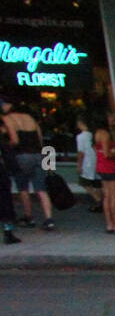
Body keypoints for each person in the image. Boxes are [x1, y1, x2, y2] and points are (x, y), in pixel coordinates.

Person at [3, 98, 54, 230]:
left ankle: (28, 216)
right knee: (41, 188)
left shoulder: (8, 119)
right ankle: (49, 218)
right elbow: (40, 139)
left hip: (22, 155)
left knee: (23, 188)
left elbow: (15, 140)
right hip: (38, 154)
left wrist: (6, 146)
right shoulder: (30, 118)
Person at [75, 115, 104, 212]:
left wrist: (79, 165)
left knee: (84, 182)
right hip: (96, 160)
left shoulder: (80, 137)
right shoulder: (94, 134)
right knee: (97, 183)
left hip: (87, 162)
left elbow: (81, 152)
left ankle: (98, 199)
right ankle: (100, 200)